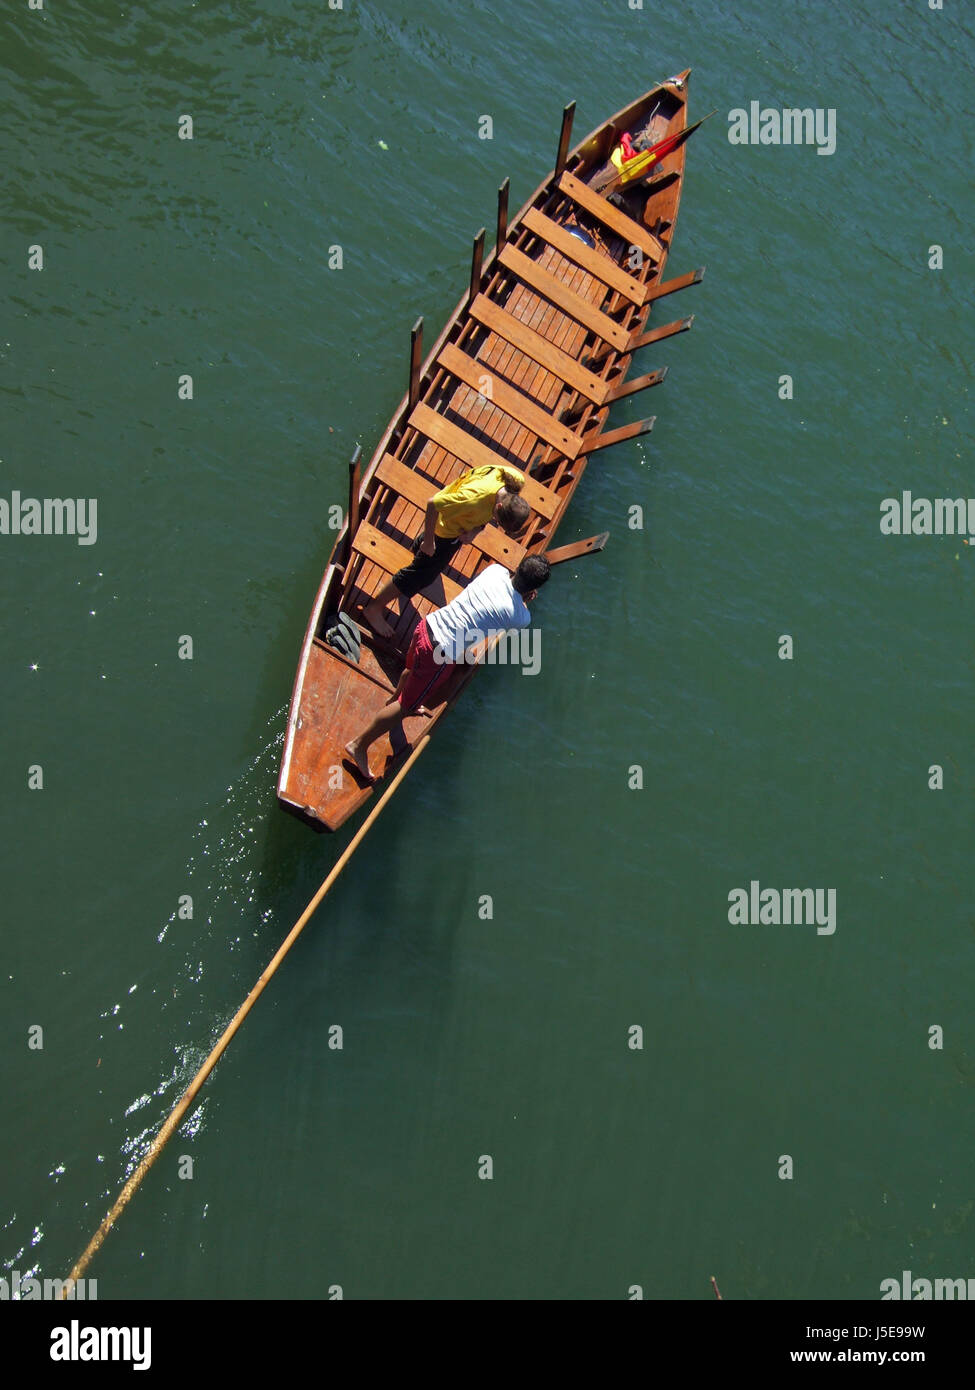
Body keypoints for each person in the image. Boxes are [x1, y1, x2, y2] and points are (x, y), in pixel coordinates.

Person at [346, 555, 551, 783]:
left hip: (426, 626)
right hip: (439, 652)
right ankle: (359, 745)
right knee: (406, 707)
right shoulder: (521, 617)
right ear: (533, 589)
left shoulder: (494, 571)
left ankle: (393, 700)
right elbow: (519, 615)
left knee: (411, 670)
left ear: (517, 568)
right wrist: (525, 599)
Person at [363, 463, 530, 639]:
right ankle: (374, 608)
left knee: (428, 563)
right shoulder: (472, 498)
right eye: (496, 519)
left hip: (458, 522)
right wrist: (429, 542)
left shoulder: (515, 481)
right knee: (420, 575)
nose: (494, 521)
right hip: (444, 533)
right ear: (498, 507)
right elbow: (433, 504)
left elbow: (484, 511)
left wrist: (474, 530)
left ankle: (419, 547)